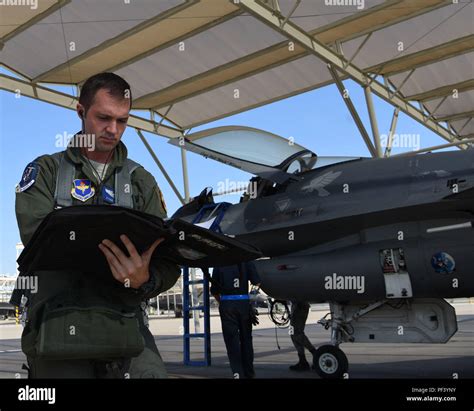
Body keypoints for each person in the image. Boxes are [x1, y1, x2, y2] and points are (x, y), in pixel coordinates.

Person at [12, 72, 181, 378]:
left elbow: (168, 261)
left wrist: (145, 279)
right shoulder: (46, 172)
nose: (113, 130)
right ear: (80, 111)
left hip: (125, 325)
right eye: (103, 118)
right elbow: (38, 243)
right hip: (59, 326)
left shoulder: (141, 182)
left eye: (122, 121)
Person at [211, 262, 261, 379]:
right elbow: (257, 282)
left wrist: (223, 302)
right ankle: (249, 374)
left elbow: (214, 290)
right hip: (243, 304)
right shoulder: (247, 259)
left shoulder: (219, 262)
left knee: (232, 342)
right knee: (246, 340)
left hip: (227, 305)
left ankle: (238, 374)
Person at [289, 301, 317, 371]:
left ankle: (316, 354)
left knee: (297, 333)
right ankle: (302, 361)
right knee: (292, 332)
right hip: (296, 305)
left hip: (299, 306)